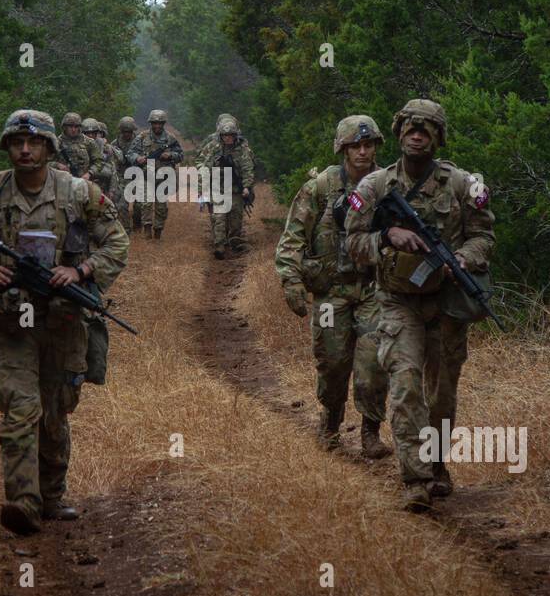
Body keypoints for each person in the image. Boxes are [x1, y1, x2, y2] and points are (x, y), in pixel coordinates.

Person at [0, 109, 129, 534]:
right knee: (20, 408)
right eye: (16, 142)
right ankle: (23, 502)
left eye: (33, 144)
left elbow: (117, 242)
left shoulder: (79, 193)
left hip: (63, 320)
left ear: (49, 147)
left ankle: (51, 496)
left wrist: (80, 272)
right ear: (8, 146)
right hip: (11, 321)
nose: (25, 150)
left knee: (54, 413)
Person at [344, 100, 495, 511]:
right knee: (406, 385)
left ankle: (438, 465)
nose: (417, 134)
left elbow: (484, 236)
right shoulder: (374, 187)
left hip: (446, 302)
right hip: (398, 301)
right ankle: (415, 478)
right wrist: (388, 236)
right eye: (411, 128)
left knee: (442, 393)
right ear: (399, 134)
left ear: (438, 137)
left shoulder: (462, 184)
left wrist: (463, 258)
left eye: (426, 130)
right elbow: (353, 242)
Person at [275, 116, 391, 458]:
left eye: (369, 145)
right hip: (330, 295)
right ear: (343, 148)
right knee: (333, 363)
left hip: (373, 290)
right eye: (356, 145)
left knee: (373, 365)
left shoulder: (388, 187)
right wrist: (291, 280)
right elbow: (292, 237)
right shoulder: (321, 188)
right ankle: (330, 423)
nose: (363, 151)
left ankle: (371, 431)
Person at [197, 114, 256, 259]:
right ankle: (219, 246)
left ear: (235, 135)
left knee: (235, 218)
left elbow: (248, 169)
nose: (227, 138)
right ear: (220, 135)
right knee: (219, 217)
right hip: (217, 187)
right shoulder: (213, 148)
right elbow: (204, 169)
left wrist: (247, 187)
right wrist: (202, 191)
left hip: (235, 189)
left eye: (230, 135)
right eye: (225, 135)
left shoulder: (242, 149)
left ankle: (234, 242)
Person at [125, 109, 183, 239]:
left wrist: (170, 155)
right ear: (151, 123)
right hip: (146, 174)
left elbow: (180, 155)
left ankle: (158, 230)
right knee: (146, 202)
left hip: (164, 176)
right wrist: (137, 158)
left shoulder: (170, 138)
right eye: (154, 123)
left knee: (161, 206)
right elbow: (130, 153)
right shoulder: (142, 137)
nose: (157, 126)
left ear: (163, 124)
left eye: (160, 123)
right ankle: (147, 229)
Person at [54, 111, 103, 180]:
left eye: (76, 126)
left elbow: (99, 161)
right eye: (70, 126)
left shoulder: (89, 142)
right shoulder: (56, 143)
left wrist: (89, 173)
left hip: (84, 181)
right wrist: (58, 165)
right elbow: (45, 162)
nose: (73, 129)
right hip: (62, 181)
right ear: (64, 127)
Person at [113, 116, 140, 233]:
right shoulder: (115, 144)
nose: (127, 134)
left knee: (139, 205)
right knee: (122, 204)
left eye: (129, 131)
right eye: (125, 131)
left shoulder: (140, 142)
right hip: (121, 176)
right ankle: (126, 229)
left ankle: (137, 224)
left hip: (137, 175)